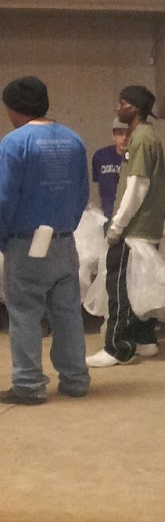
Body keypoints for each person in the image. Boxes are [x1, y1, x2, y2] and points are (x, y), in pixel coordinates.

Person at [0, 76, 91, 404]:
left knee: (24, 313)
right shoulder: (73, 140)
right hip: (65, 241)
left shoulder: (14, 143)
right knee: (67, 313)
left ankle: (29, 386)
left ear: (13, 107)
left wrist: (2, 240)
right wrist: (66, 227)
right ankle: (76, 380)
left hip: (25, 242)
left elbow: (4, 198)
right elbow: (82, 194)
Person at [87, 84, 165, 366]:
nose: (117, 108)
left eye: (121, 103)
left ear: (134, 107)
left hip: (134, 230)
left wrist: (117, 227)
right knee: (140, 287)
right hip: (145, 229)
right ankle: (145, 340)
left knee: (119, 287)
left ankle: (117, 348)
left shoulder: (141, 140)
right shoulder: (146, 136)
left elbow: (137, 187)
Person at [91, 119, 130, 219]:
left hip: (130, 214)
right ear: (113, 136)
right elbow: (97, 184)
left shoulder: (138, 157)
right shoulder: (101, 156)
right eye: (120, 134)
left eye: (128, 134)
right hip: (107, 213)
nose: (124, 138)